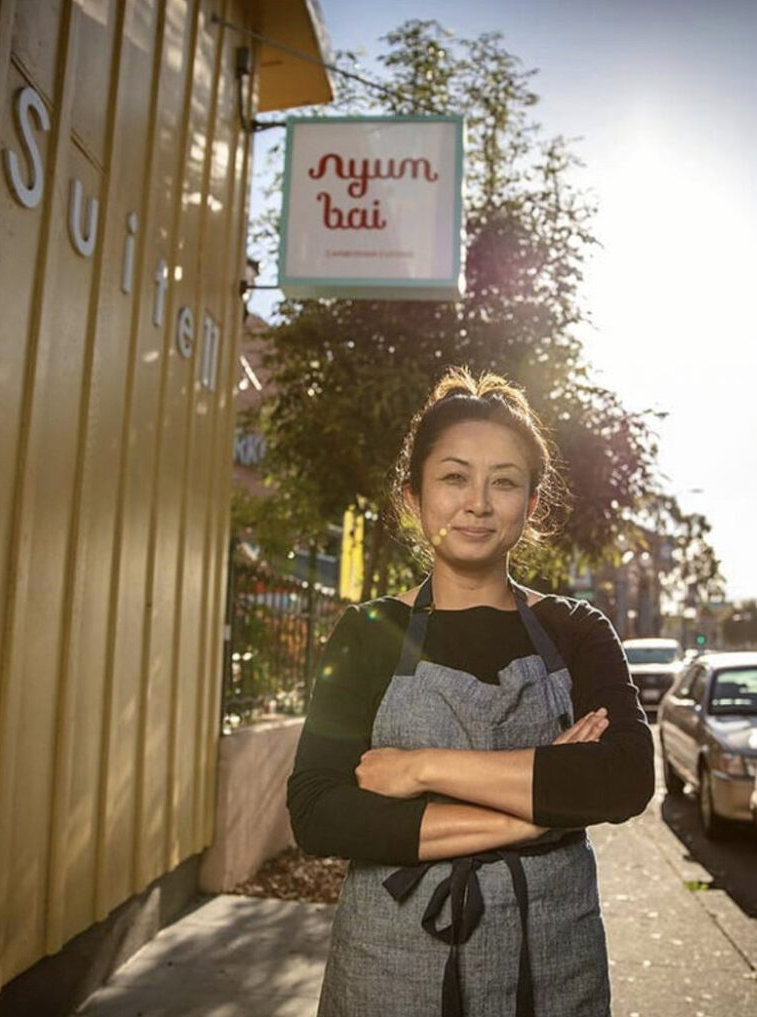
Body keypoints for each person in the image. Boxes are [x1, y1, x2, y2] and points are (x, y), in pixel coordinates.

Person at [287, 368, 656, 1017]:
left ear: (532, 502)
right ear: (414, 496)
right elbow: (320, 810)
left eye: (504, 481)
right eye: (454, 477)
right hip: (391, 968)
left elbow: (624, 777)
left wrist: (419, 767)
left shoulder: (577, 630)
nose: (478, 502)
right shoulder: (368, 633)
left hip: (553, 962)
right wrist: (539, 809)